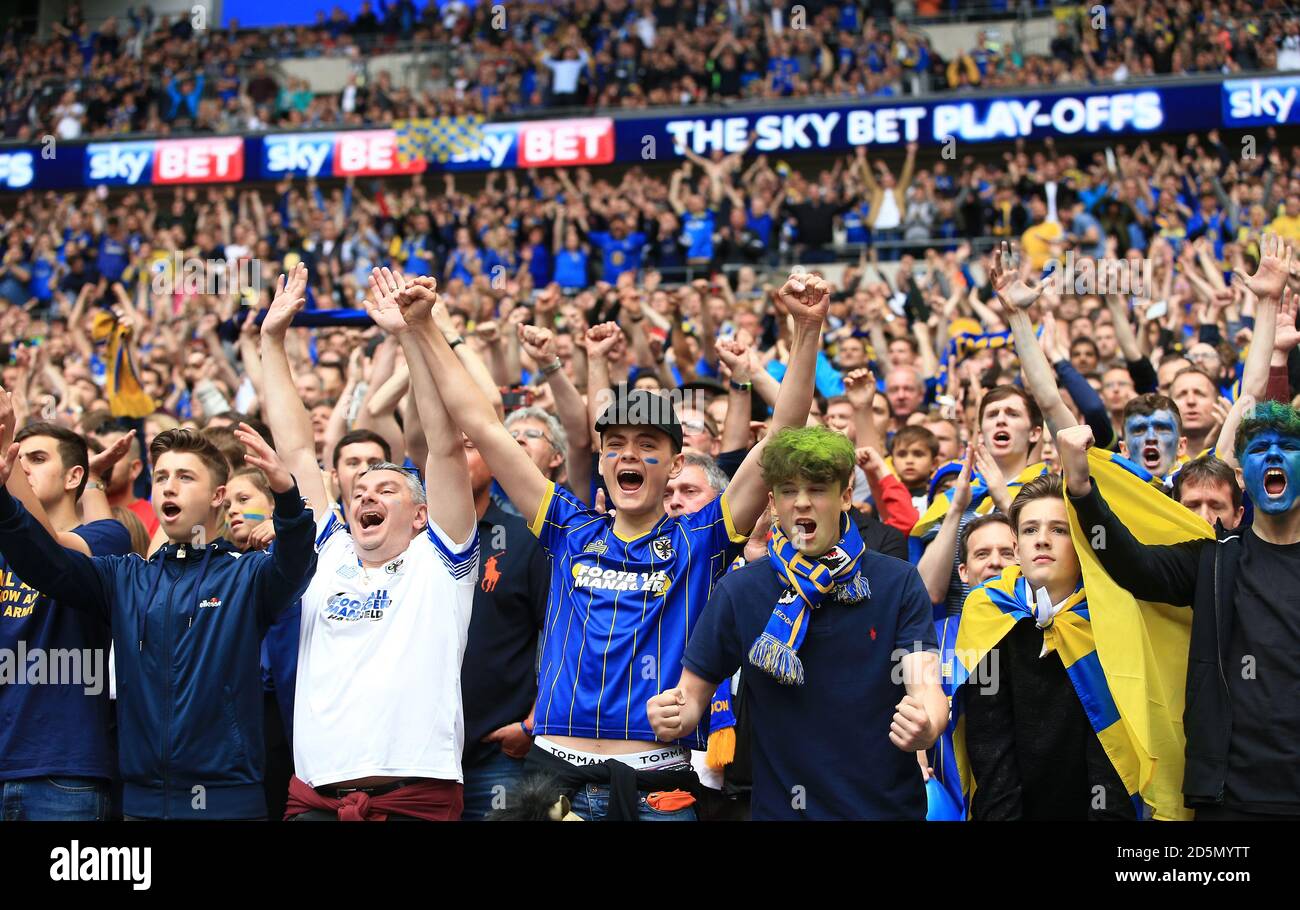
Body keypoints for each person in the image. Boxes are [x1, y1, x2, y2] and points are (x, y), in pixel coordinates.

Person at [423, 270, 827, 821]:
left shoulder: (702, 537)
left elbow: (783, 434)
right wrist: (425, 329)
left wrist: (807, 329)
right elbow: (482, 424)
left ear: (676, 464)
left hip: (659, 789)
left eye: (646, 445)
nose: (627, 455)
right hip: (552, 780)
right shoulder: (568, 527)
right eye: (614, 445)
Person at [1063, 234, 1299, 819]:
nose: (1272, 456)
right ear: (1242, 475)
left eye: (1286, 448)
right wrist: (1082, 491)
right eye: (1259, 449)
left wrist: (1268, 310)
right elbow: (1132, 565)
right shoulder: (1214, 559)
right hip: (1232, 800)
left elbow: (1248, 399)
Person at [0, 419, 315, 820]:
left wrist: (287, 496)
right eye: (162, 476)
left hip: (227, 803)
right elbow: (45, 563)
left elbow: (296, 564)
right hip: (140, 807)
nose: (168, 485)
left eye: (185, 477)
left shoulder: (247, 575)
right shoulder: (122, 577)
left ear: (219, 495)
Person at [261, 265, 478, 822]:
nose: (366, 496)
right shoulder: (327, 551)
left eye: (387, 488)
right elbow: (295, 449)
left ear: (422, 514)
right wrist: (272, 339)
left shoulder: (441, 558)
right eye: (358, 490)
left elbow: (444, 446)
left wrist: (410, 337)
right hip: (315, 798)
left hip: (414, 798)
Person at [647, 425, 946, 819]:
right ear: (772, 503)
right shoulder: (739, 591)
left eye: (817, 489)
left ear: (844, 496)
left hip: (886, 809)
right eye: (789, 491)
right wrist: (672, 713)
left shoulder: (897, 581)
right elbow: (690, 697)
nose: (802, 503)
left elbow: (926, 686)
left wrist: (928, 723)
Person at [958, 475, 1138, 820]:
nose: (1042, 540)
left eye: (1059, 530)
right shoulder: (988, 612)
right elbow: (988, 744)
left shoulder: (1109, 617)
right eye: (1029, 530)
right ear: (1016, 547)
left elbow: (1112, 750)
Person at [0, 400, 133, 821]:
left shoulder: (107, 538)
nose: (21, 467)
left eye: (35, 459)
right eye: (17, 459)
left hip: (65, 770)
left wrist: (7, 440)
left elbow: (47, 549)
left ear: (74, 475)